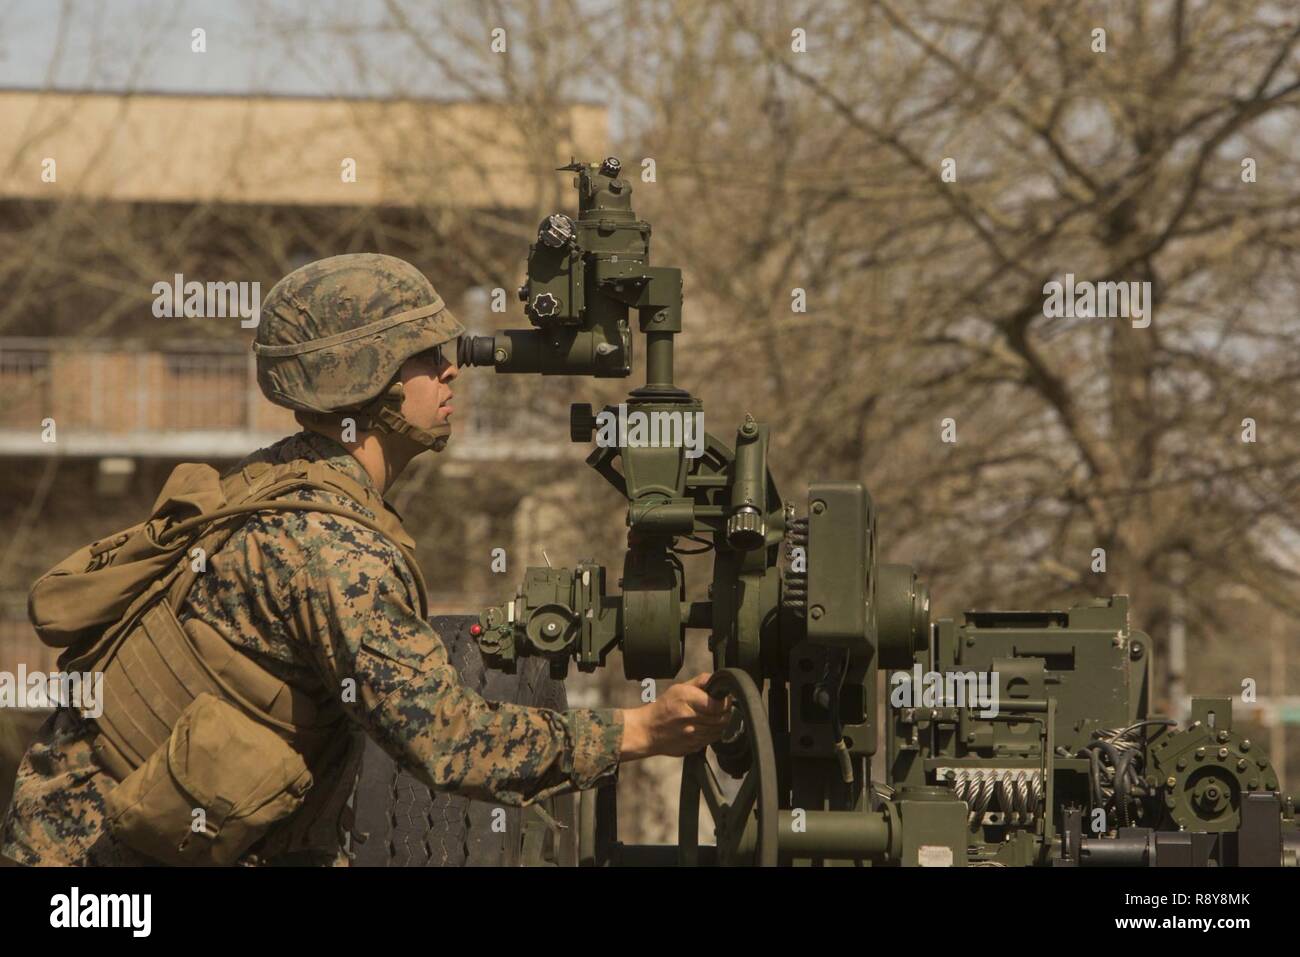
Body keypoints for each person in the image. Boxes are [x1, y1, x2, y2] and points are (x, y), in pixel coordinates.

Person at [0, 253, 730, 866]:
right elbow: (445, 740)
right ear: (365, 376)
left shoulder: (279, 477)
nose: (450, 372)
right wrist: (636, 732)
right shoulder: (335, 549)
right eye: (424, 357)